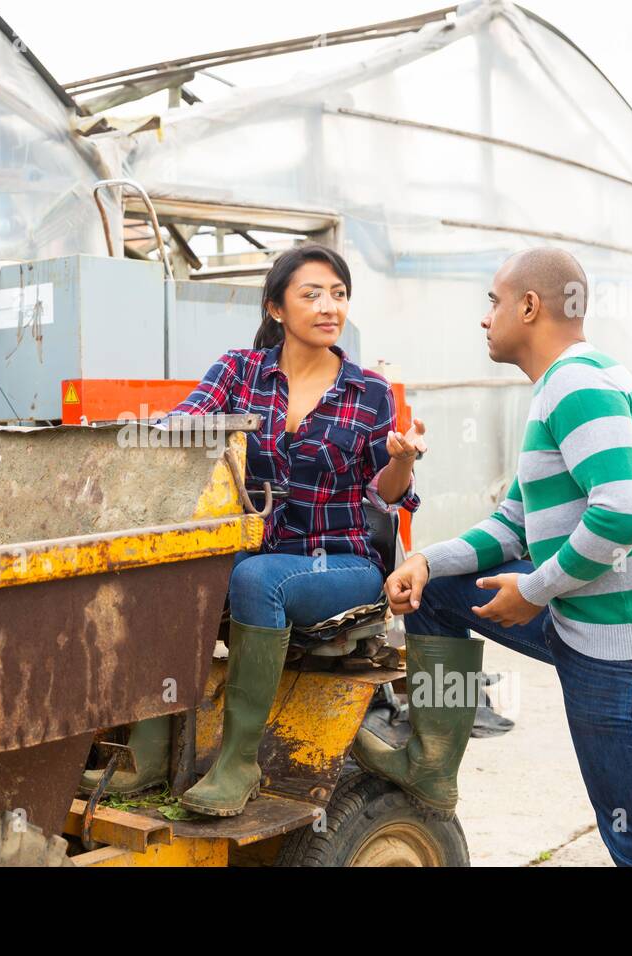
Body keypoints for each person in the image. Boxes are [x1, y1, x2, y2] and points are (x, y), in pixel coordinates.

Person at [355, 247, 632, 866]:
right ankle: (433, 764)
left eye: (493, 301)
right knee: (434, 588)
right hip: (591, 619)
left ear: (530, 305)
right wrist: (427, 561)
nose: (485, 318)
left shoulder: (577, 384)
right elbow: (513, 525)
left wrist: (534, 592)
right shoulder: (561, 385)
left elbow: (623, 513)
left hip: (628, 645)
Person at [80, 244, 425, 816]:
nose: (328, 306)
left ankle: (238, 763)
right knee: (172, 567)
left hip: (339, 562)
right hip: (256, 555)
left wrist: (402, 459)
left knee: (258, 579)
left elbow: (384, 495)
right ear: (276, 309)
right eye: (311, 294)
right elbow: (184, 424)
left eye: (338, 294)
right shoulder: (239, 370)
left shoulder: (369, 393)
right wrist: (127, 435)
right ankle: (148, 754)